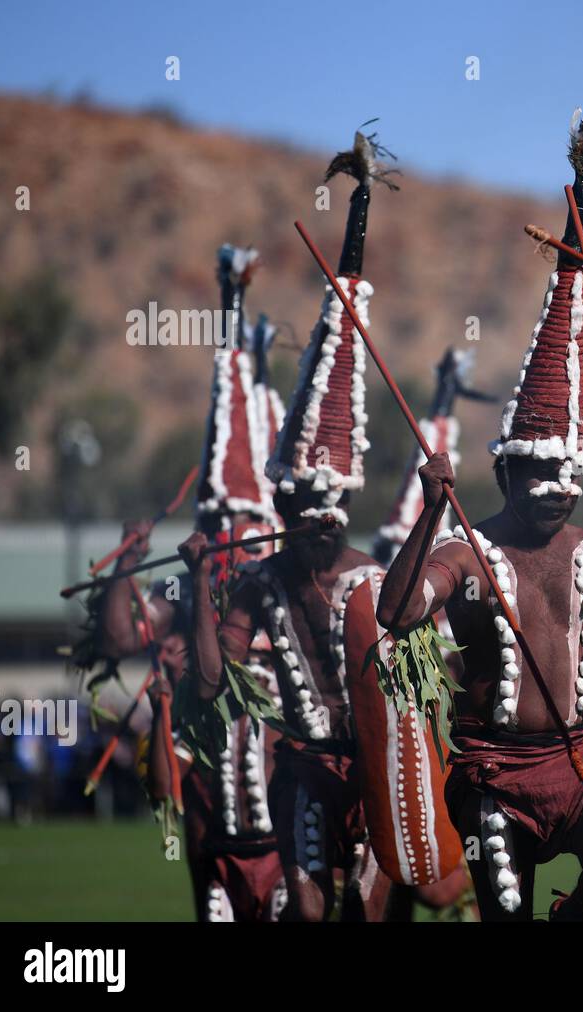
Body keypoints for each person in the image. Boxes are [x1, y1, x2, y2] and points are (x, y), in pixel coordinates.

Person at [376, 107, 583, 922]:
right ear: (503, 468)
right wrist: (427, 512)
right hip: (494, 770)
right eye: (535, 471)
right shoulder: (467, 553)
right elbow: (395, 612)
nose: (554, 487)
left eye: (567, 472)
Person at [180, 130, 396, 921]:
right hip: (303, 776)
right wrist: (202, 580)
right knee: (305, 916)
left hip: (372, 777)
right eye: (305, 510)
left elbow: (425, 691)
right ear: (284, 512)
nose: (321, 524)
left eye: (332, 509)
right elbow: (208, 684)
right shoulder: (261, 584)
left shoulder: (375, 578)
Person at [94, 244, 287, 922]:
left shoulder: (285, 598)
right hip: (213, 835)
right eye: (217, 523)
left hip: (294, 840)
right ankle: (232, 302)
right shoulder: (183, 596)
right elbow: (120, 636)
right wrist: (128, 560)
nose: (228, 537)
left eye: (244, 524)